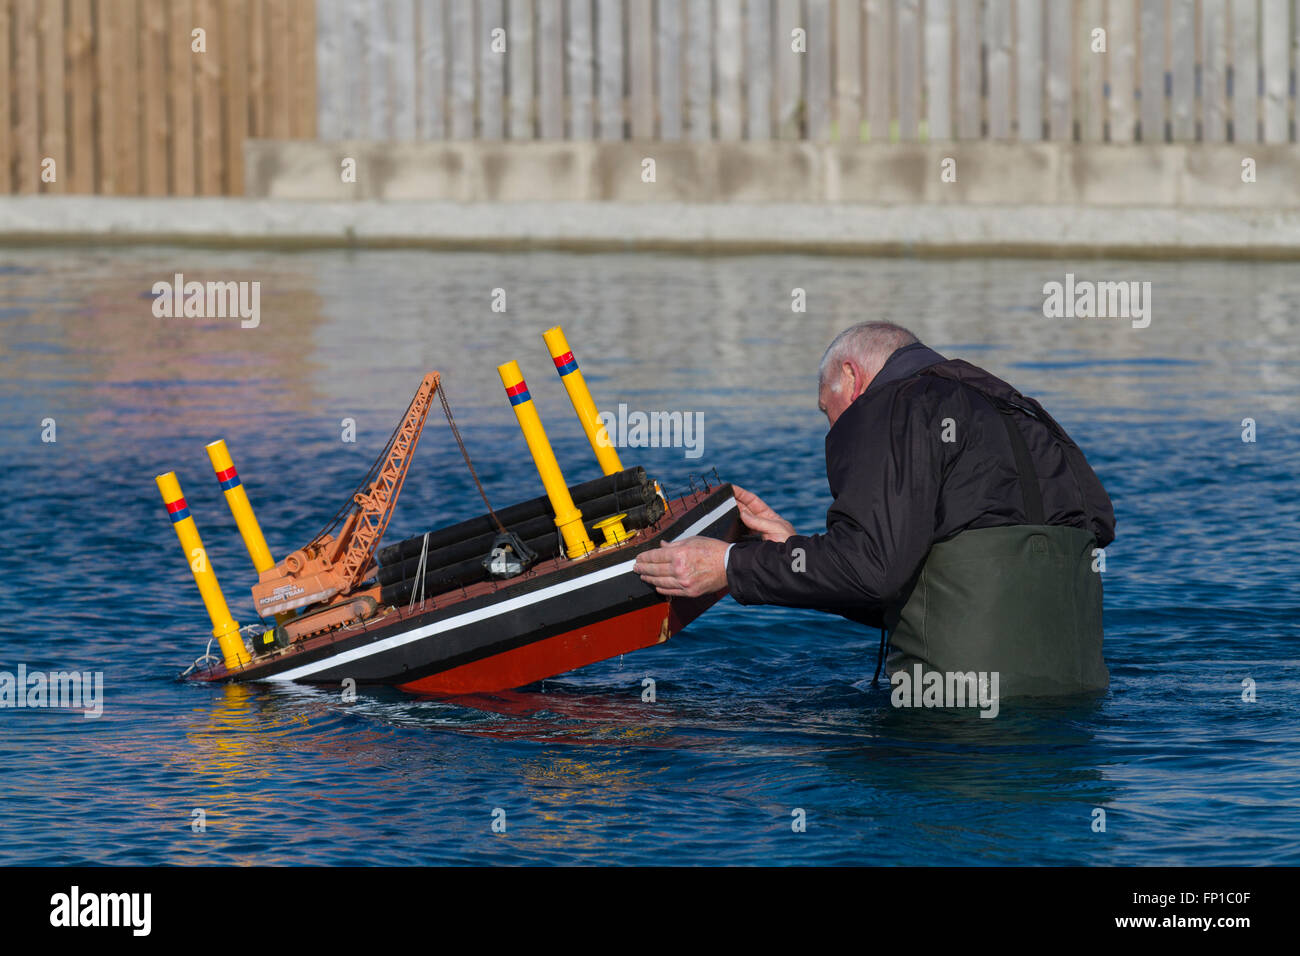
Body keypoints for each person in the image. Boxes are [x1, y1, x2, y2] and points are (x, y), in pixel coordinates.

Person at [633, 321, 1116, 697]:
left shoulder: (895, 403)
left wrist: (726, 564)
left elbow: (873, 570)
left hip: (951, 721)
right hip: (1075, 703)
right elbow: (908, 582)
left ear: (851, 376)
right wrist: (794, 550)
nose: (832, 428)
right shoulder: (1021, 409)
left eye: (829, 409)